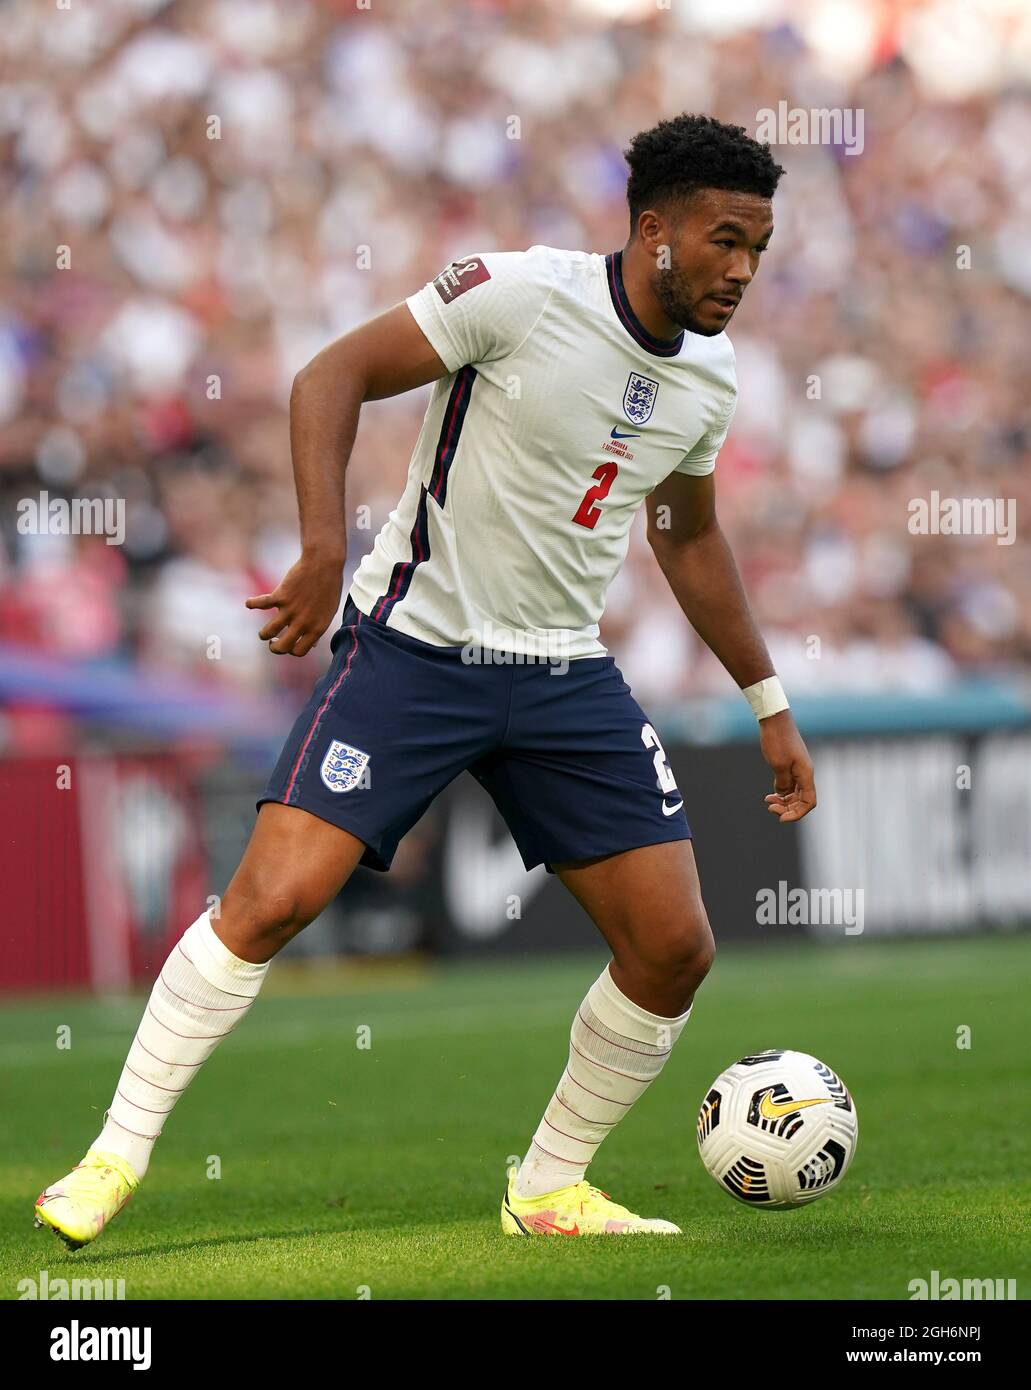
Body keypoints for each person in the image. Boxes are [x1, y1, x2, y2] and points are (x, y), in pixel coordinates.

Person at [35, 113, 815, 1245]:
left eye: (757, 245)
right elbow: (330, 373)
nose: (740, 268)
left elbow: (685, 538)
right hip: (416, 653)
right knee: (271, 901)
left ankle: (547, 1186)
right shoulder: (515, 292)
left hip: (561, 675)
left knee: (673, 946)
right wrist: (317, 548)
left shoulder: (710, 376)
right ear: (652, 229)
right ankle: (110, 1159)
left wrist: (766, 700)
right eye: (720, 240)